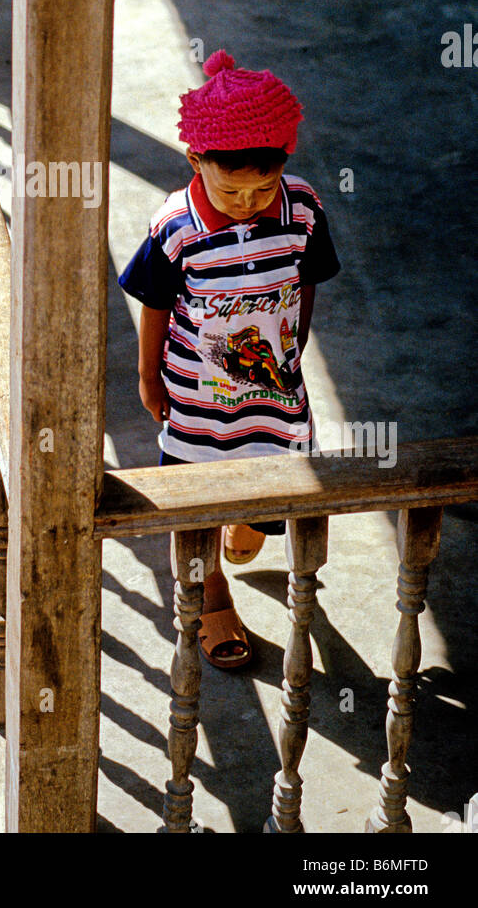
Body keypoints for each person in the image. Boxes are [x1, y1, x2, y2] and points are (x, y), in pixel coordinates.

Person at [118, 49, 340, 669]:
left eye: (262, 188)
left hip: (273, 390)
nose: (247, 202)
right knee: (194, 500)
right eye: (231, 188)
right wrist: (148, 376)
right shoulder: (177, 229)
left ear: (284, 169)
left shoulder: (302, 211)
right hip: (196, 395)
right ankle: (209, 591)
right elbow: (155, 306)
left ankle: (250, 522)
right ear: (196, 162)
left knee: (277, 485)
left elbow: (310, 277)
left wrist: (294, 343)